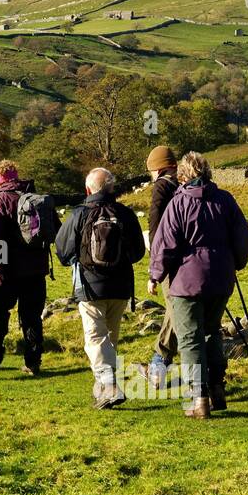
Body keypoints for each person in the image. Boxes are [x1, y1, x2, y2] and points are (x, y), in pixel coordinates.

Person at [147, 151, 248, 419]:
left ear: (183, 175)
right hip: (221, 278)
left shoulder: (179, 203)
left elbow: (165, 243)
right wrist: (237, 263)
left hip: (187, 281)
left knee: (190, 338)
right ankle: (218, 390)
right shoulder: (226, 200)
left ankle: (198, 398)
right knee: (211, 332)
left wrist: (155, 275)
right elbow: (243, 234)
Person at [54, 167, 146, 409]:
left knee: (95, 338)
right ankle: (104, 388)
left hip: (90, 285)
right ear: (112, 188)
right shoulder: (125, 213)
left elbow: (62, 250)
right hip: (121, 286)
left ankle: (110, 386)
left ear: (88, 189)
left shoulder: (80, 213)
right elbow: (138, 252)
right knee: (110, 339)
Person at [0, 160, 53, 376]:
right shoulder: (34, 197)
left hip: (10, 270)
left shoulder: (2, 199)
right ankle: (33, 361)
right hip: (36, 269)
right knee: (32, 316)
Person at [134, 146, 181, 388]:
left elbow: (156, 225)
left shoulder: (162, 186)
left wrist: (155, 266)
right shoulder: (187, 182)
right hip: (200, 260)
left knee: (176, 309)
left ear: (158, 168)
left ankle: (158, 366)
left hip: (172, 261)